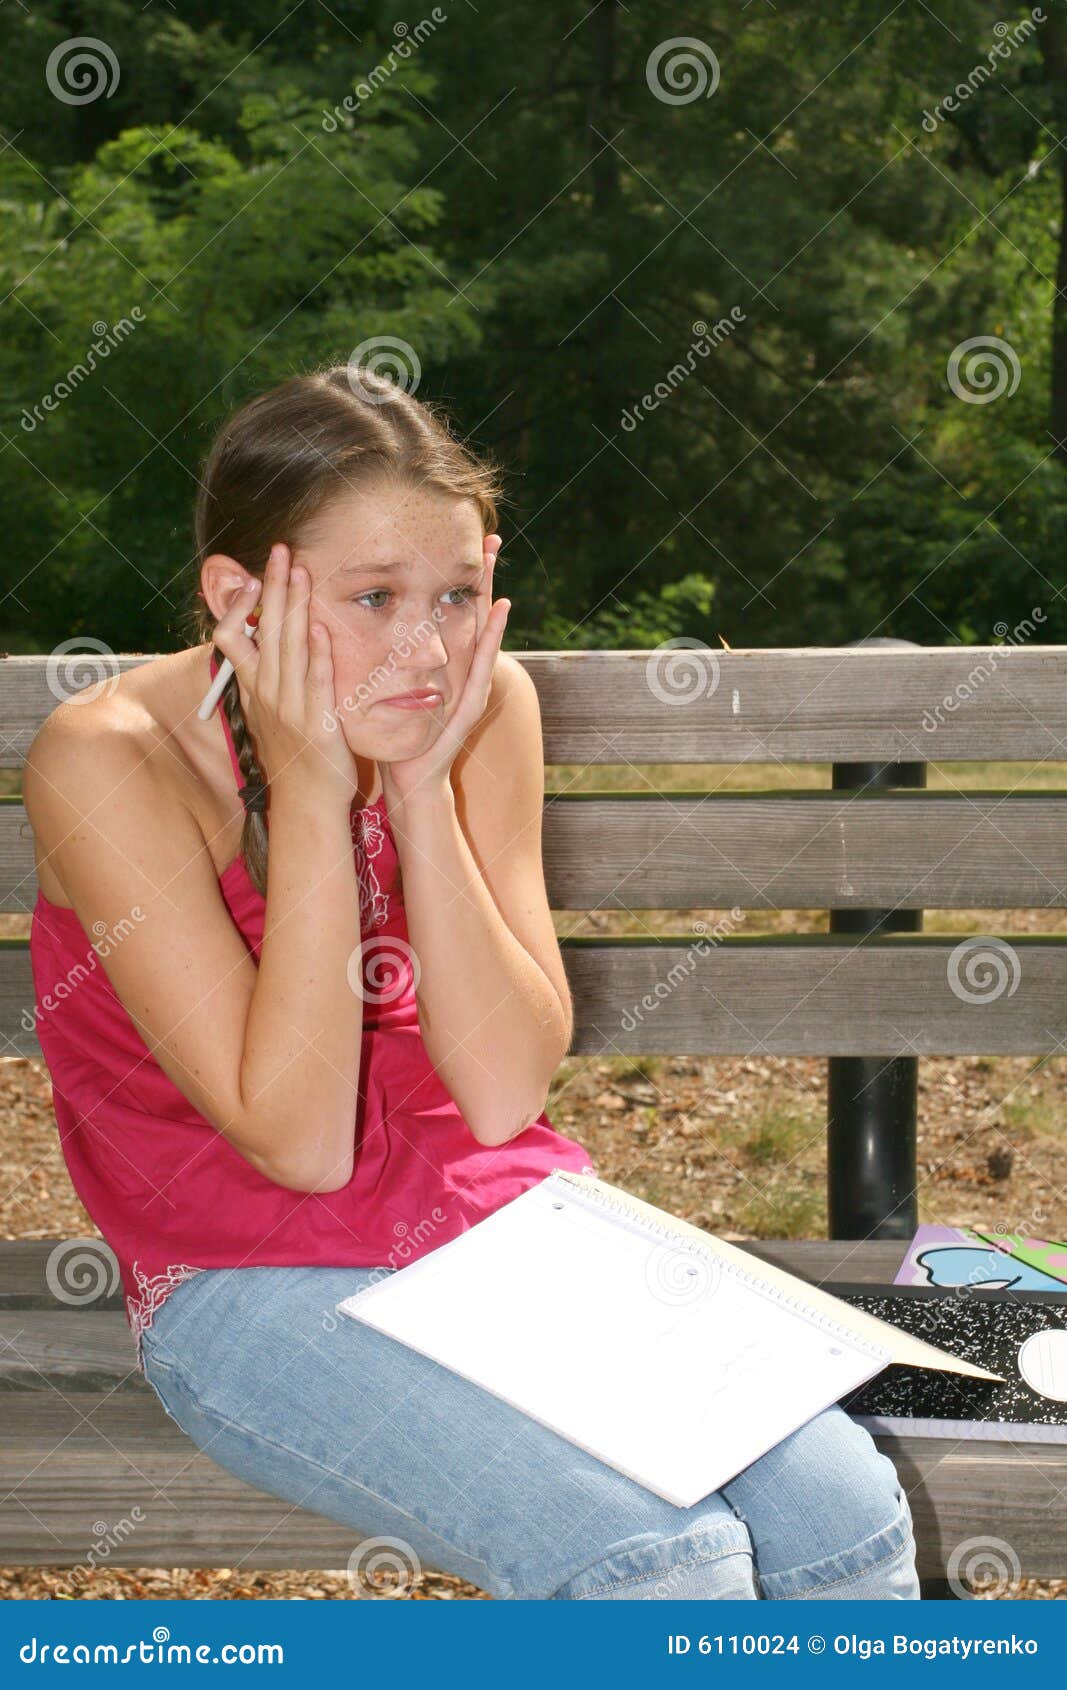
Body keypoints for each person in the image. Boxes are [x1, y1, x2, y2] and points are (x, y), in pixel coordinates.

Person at [24, 364, 920, 1601]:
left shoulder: (483, 705)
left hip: (491, 1224)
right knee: (653, 1565)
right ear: (239, 598)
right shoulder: (109, 758)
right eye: (374, 597)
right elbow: (297, 1144)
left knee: (839, 1512)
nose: (425, 648)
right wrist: (321, 786)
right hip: (248, 1272)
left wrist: (418, 794)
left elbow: (501, 1095)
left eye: (455, 595)